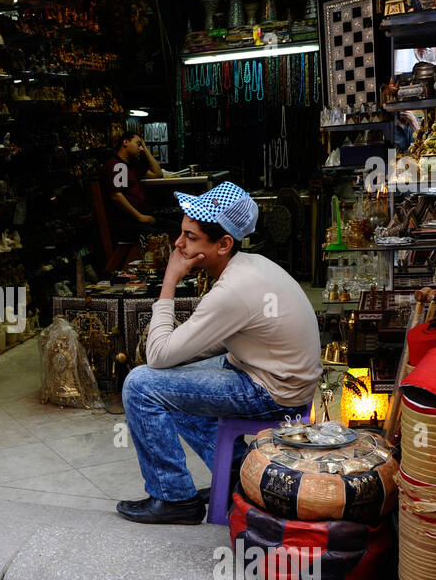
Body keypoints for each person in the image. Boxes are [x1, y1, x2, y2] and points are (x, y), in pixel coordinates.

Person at [119, 182, 321, 525]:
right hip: (267, 372)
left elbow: (156, 355)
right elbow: (212, 343)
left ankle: (173, 498)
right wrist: (182, 351)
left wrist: (169, 281)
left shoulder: (232, 289)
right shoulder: (248, 265)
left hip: (274, 391)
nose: (178, 245)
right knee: (169, 379)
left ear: (224, 244)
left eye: (190, 237)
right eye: (181, 234)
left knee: (141, 384)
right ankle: (235, 475)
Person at [98, 131, 163, 245]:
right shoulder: (118, 165)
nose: (140, 148)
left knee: (174, 226)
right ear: (126, 142)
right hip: (127, 221)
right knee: (160, 235)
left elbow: (158, 174)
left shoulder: (132, 165)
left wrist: (146, 150)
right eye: (138, 144)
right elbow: (116, 196)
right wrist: (140, 217)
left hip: (141, 216)